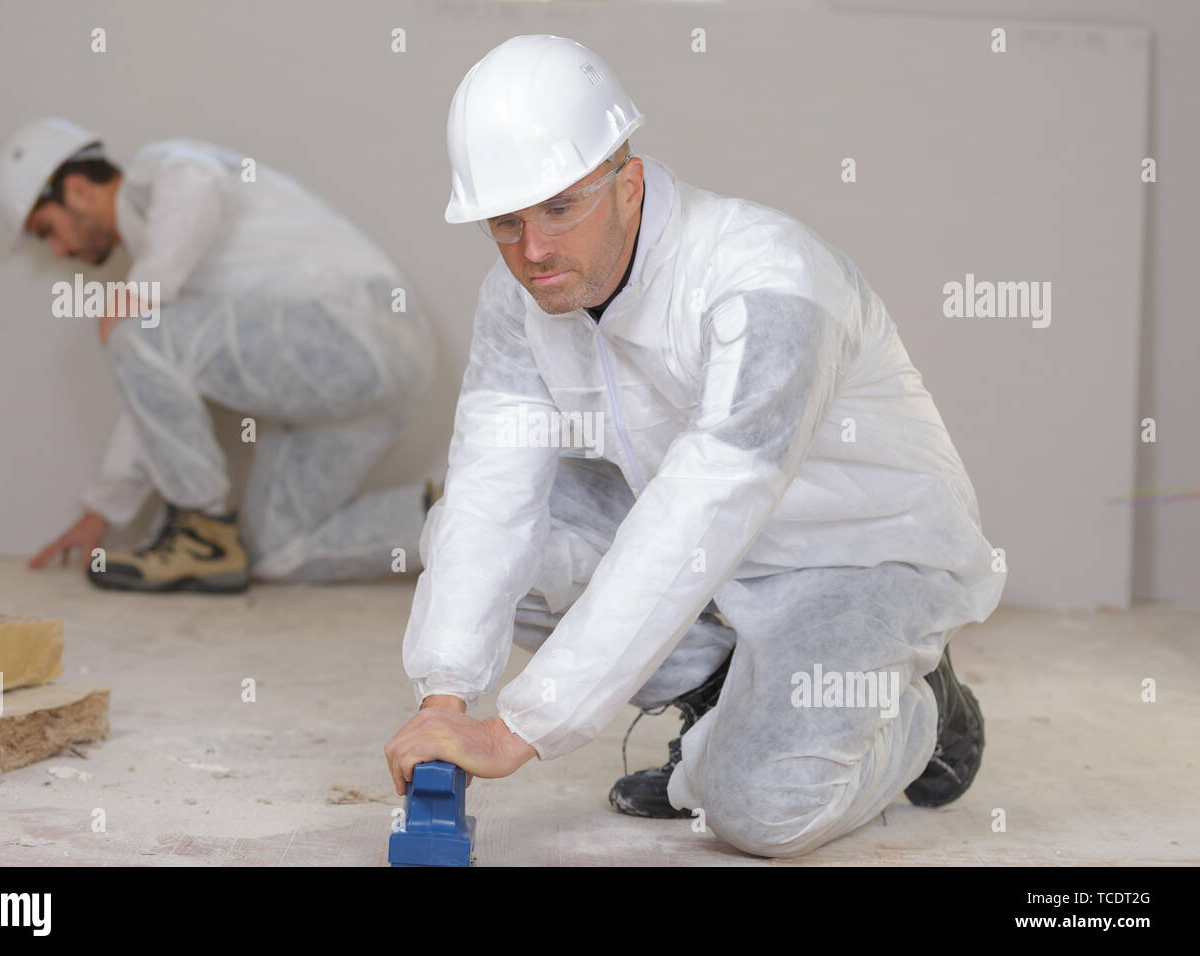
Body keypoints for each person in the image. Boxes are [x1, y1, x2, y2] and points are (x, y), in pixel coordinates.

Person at [384, 34, 1005, 858]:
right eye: (505, 221)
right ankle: (725, 694)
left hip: (859, 558)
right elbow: (490, 493)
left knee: (758, 812)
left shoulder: (765, 281)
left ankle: (919, 712)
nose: (532, 252)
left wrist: (521, 730)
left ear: (628, 186)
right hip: (709, 548)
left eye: (561, 208)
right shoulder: (520, 299)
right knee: (479, 531)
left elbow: (702, 508)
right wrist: (447, 695)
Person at [0, 118, 438, 591]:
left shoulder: (156, 174)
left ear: (77, 191)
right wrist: (102, 510)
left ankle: (202, 532)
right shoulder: (167, 268)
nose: (58, 251)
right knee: (277, 552)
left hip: (361, 330)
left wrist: (142, 291)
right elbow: (155, 399)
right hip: (370, 374)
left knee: (137, 334)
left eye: (48, 230)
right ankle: (475, 522)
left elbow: (198, 181)